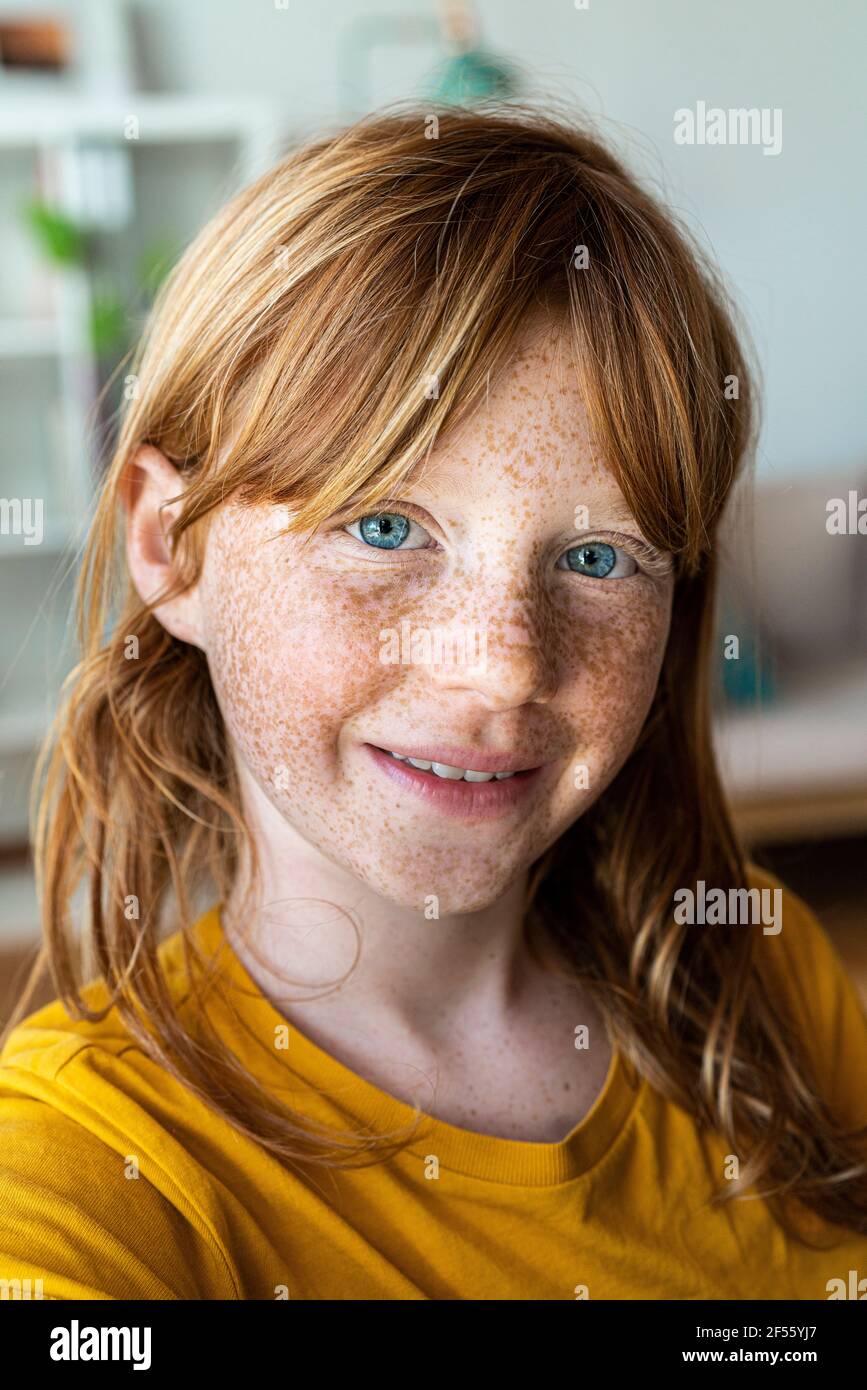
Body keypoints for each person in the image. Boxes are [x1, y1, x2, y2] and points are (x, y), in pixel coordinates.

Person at [1, 104, 865, 1301]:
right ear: (172, 546)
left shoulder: (748, 980)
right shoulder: (88, 1163)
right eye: (386, 527)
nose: (503, 666)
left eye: (599, 557)